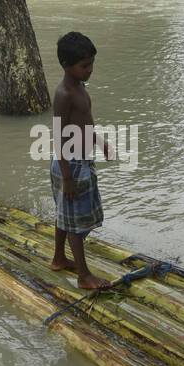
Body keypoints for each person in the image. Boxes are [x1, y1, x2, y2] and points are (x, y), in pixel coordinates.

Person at [49, 32, 109, 290]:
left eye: (92, 64)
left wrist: (100, 142)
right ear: (66, 65)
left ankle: (59, 258)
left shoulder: (80, 87)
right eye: (84, 66)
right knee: (75, 223)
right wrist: (67, 177)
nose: (90, 70)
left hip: (79, 160)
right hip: (70, 164)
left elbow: (85, 123)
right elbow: (57, 137)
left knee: (66, 214)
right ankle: (84, 275)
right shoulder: (64, 94)